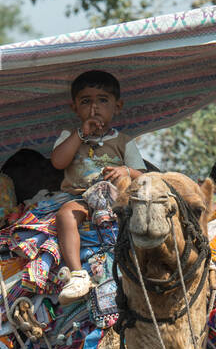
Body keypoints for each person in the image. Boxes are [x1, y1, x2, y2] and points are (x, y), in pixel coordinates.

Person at [49, 71, 147, 304]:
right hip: (81, 199)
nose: (94, 108)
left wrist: (125, 171)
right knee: (65, 215)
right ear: (75, 108)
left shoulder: (124, 140)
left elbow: (141, 175)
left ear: (117, 106)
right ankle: (77, 275)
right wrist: (80, 134)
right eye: (86, 101)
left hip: (117, 201)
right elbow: (58, 162)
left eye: (103, 100)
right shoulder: (69, 136)